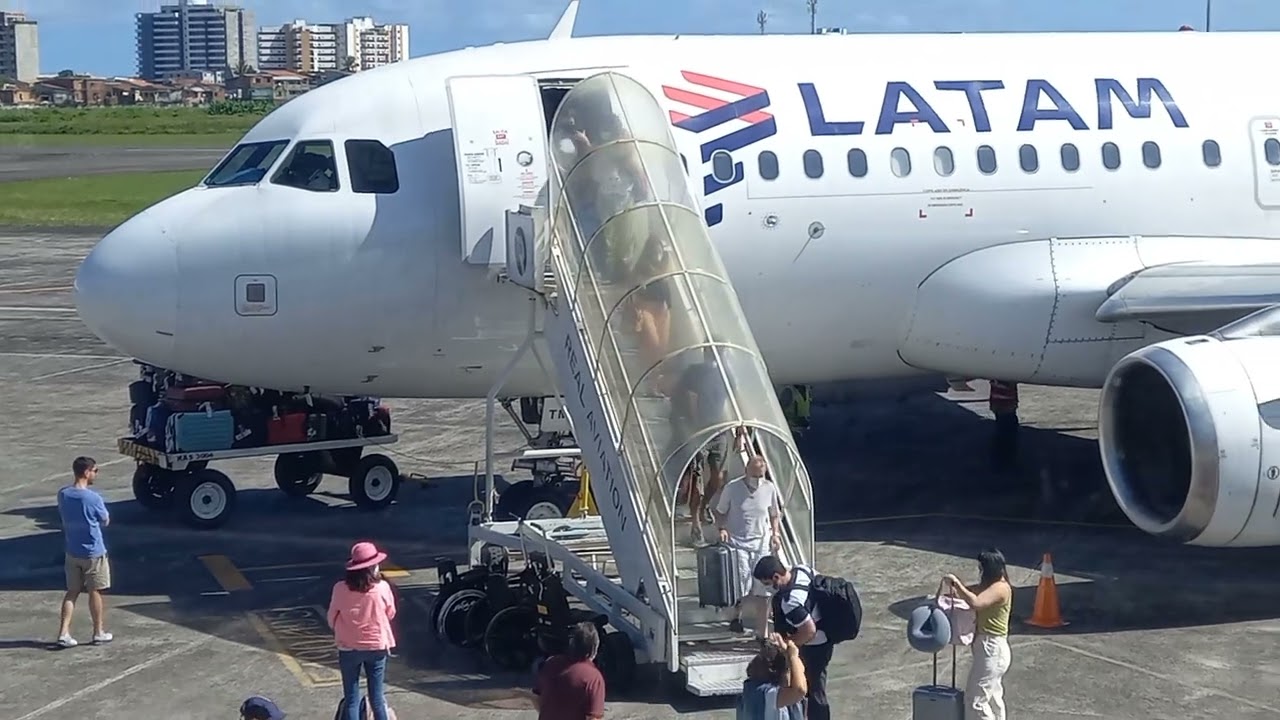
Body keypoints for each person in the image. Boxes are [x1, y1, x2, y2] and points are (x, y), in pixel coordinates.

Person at [753, 556, 832, 720]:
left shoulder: (791, 602)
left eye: (768, 584)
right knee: (816, 687)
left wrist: (789, 648)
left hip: (815, 646)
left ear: (776, 577)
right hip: (826, 634)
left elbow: (809, 631)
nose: (769, 589)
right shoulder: (802, 570)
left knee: (813, 688)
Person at [328, 541, 398, 720]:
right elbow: (390, 612)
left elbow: (332, 616)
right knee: (377, 698)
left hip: (348, 647)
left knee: (352, 699)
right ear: (372, 568)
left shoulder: (339, 588)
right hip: (376, 646)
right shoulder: (381, 588)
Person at [942, 548, 1013, 720]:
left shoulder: (1000, 588)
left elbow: (976, 602)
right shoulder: (990, 586)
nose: (979, 571)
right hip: (989, 647)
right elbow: (971, 593)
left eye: (981, 567)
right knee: (993, 698)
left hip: (992, 648)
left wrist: (957, 583)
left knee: (976, 700)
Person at [715, 454, 781, 635]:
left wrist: (775, 534)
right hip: (739, 544)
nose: (757, 480)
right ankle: (737, 617)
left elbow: (774, 514)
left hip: (762, 545)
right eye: (754, 475)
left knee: (764, 590)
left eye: (761, 475)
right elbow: (720, 511)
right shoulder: (732, 488)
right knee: (741, 585)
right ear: (746, 471)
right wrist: (722, 528)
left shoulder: (769, 488)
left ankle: (763, 632)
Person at [56, 456, 112, 648]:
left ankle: (63, 632)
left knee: (72, 592)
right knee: (94, 591)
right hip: (93, 552)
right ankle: (98, 632)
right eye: (95, 471)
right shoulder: (93, 498)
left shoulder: (63, 494)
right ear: (87, 472)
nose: (96, 474)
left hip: (72, 551)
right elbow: (105, 520)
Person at [531, 621, 606, 720]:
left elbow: (536, 698)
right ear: (594, 649)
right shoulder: (593, 678)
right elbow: (593, 718)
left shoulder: (550, 663)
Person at [736, 633, 807, 720]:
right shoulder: (764, 694)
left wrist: (787, 651)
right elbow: (800, 690)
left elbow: (801, 672)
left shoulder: (753, 687)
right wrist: (793, 656)